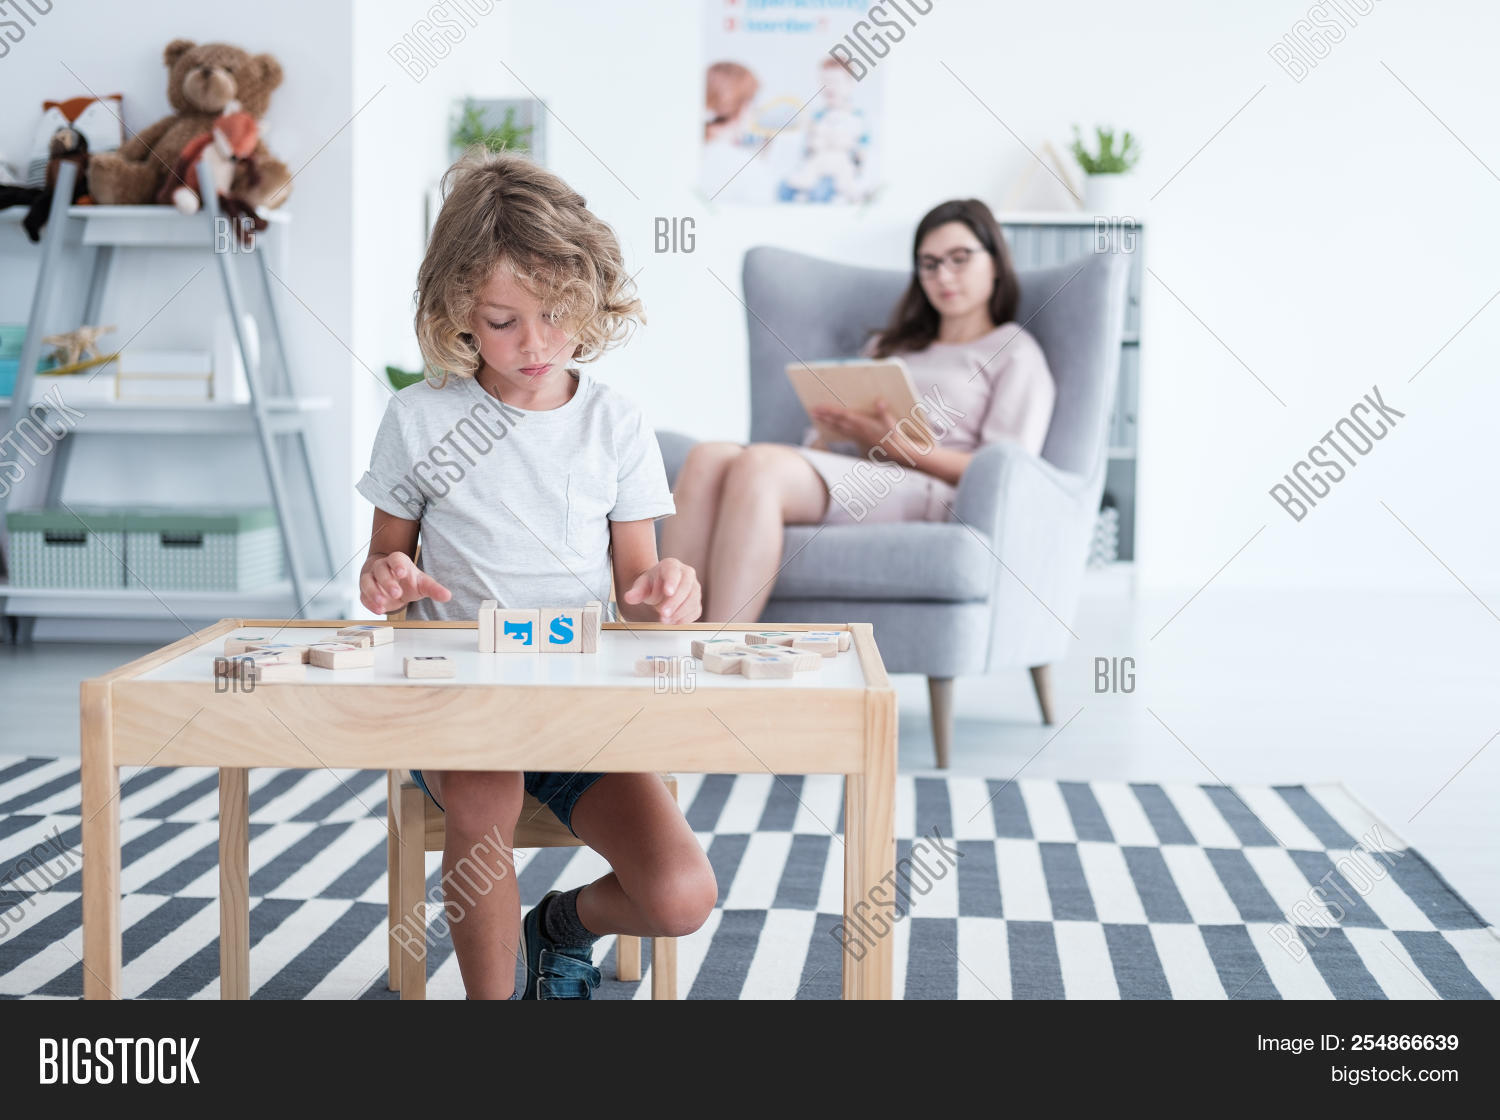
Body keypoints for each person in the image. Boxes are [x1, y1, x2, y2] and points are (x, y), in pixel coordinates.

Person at [355, 146, 716, 1000]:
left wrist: (671, 591)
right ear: (458, 314)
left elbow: (640, 587)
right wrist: (387, 584)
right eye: (505, 320)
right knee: (485, 796)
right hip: (461, 701)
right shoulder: (418, 419)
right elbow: (384, 563)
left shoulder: (615, 423)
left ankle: (561, 926)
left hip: (582, 708)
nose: (535, 343)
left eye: (556, 314)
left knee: (680, 894)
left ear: (590, 300)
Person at [662, 198, 1057, 623]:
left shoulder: (1014, 352)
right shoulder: (890, 347)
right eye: (929, 263)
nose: (943, 275)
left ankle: (721, 651)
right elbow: (833, 443)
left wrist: (899, 447)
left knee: (760, 466)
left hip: (927, 486)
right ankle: (667, 641)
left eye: (959, 259)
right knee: (708, 457)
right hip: (853, 467)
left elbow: (1006, 470)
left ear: (996, 261)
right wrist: (834, 430)